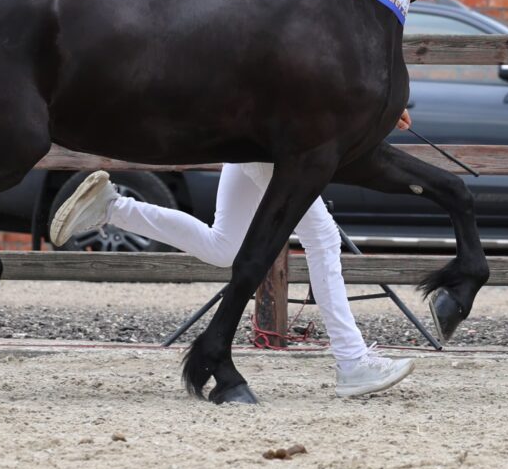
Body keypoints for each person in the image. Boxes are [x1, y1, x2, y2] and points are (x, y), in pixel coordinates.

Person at [51, 119, 420, 399]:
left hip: (251, 135)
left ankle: (112, 206)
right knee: (321, 236)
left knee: (223, 245)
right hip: (269, 137)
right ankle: (352, 360)